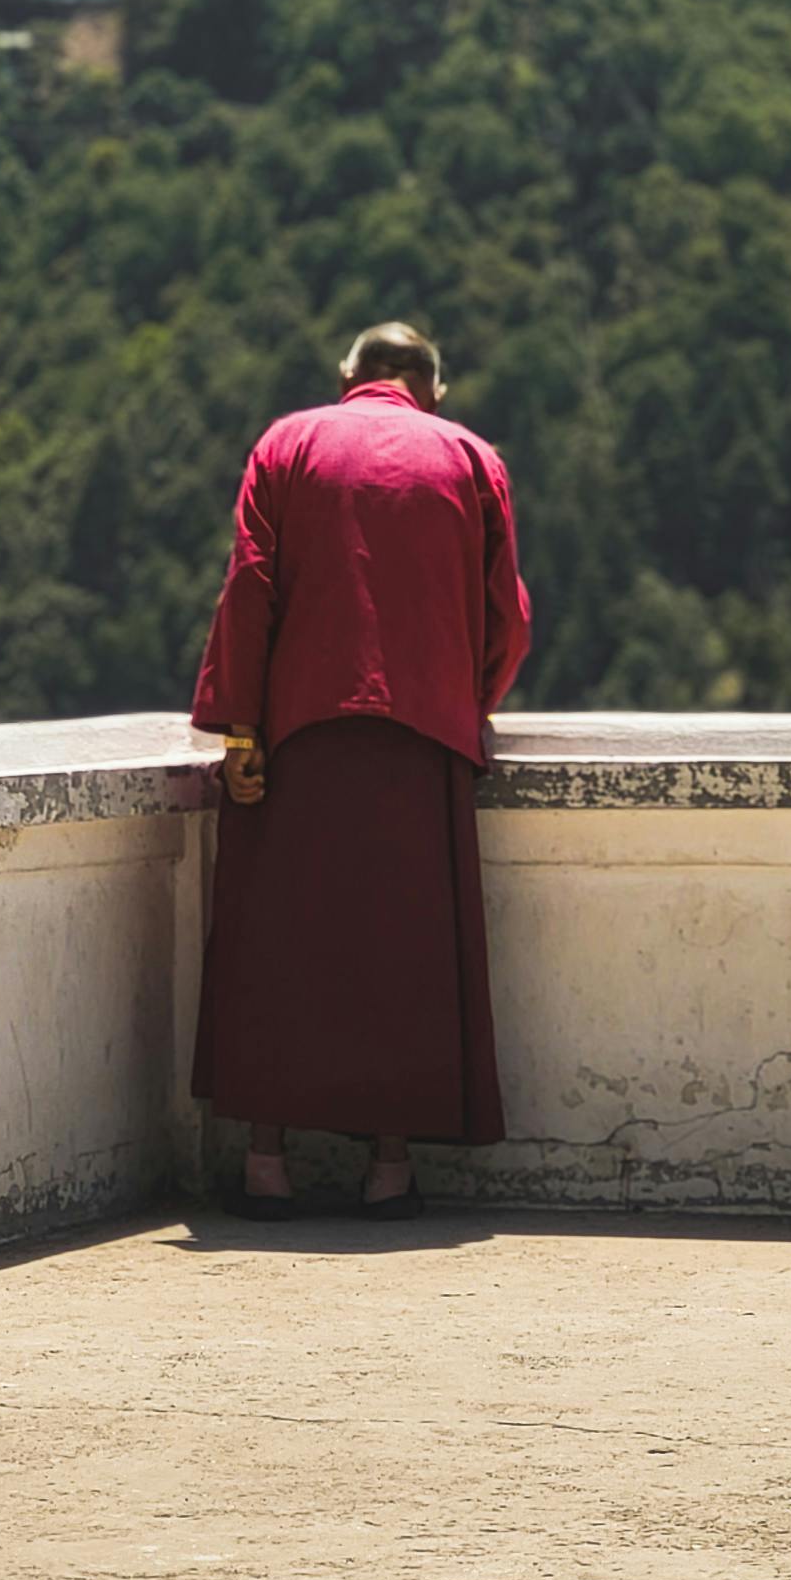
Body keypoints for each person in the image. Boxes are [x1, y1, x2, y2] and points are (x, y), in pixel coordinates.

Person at [188, 321, 532, 1221]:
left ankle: (267, 1163)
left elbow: (251, 584)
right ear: (432, 388)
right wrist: (468, 704)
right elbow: (507, 614)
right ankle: (388, 1168)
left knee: (277, 943)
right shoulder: (468, 457)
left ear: (348, 377)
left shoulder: (288, 443)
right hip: (424, 739)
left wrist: (240, 728)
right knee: (405, 954)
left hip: (297, 734)